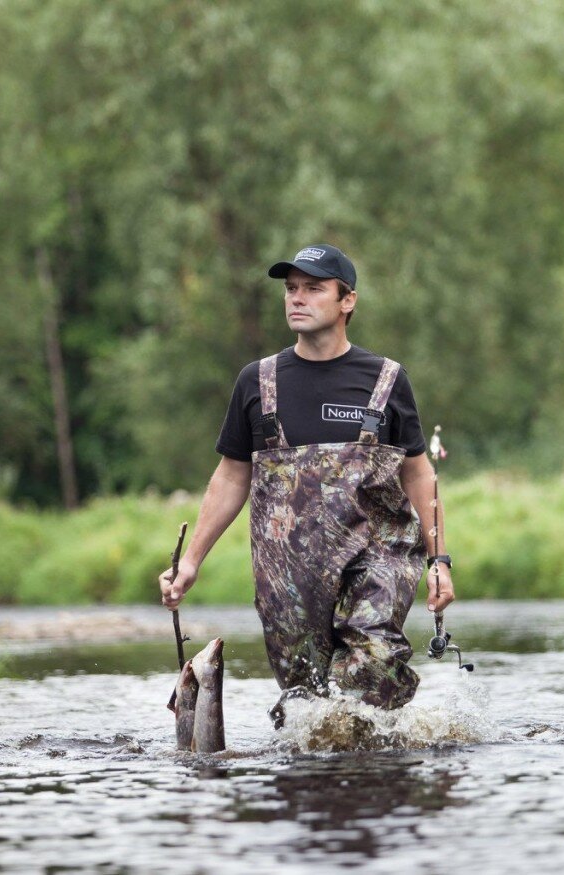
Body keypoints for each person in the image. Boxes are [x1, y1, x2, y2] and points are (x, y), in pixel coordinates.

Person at [159, 243, 455, 725]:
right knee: (309, 707)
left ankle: (384, 781)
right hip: (288, 579)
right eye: (291, 289)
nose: (297, 298)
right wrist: (191, 561)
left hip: (378, 555)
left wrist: (439, 559)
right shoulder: (257, 382)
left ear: (347, 301)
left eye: (313, 289)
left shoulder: (386, 379)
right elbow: (233, 475)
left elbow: (418, 472)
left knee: (374, 665)